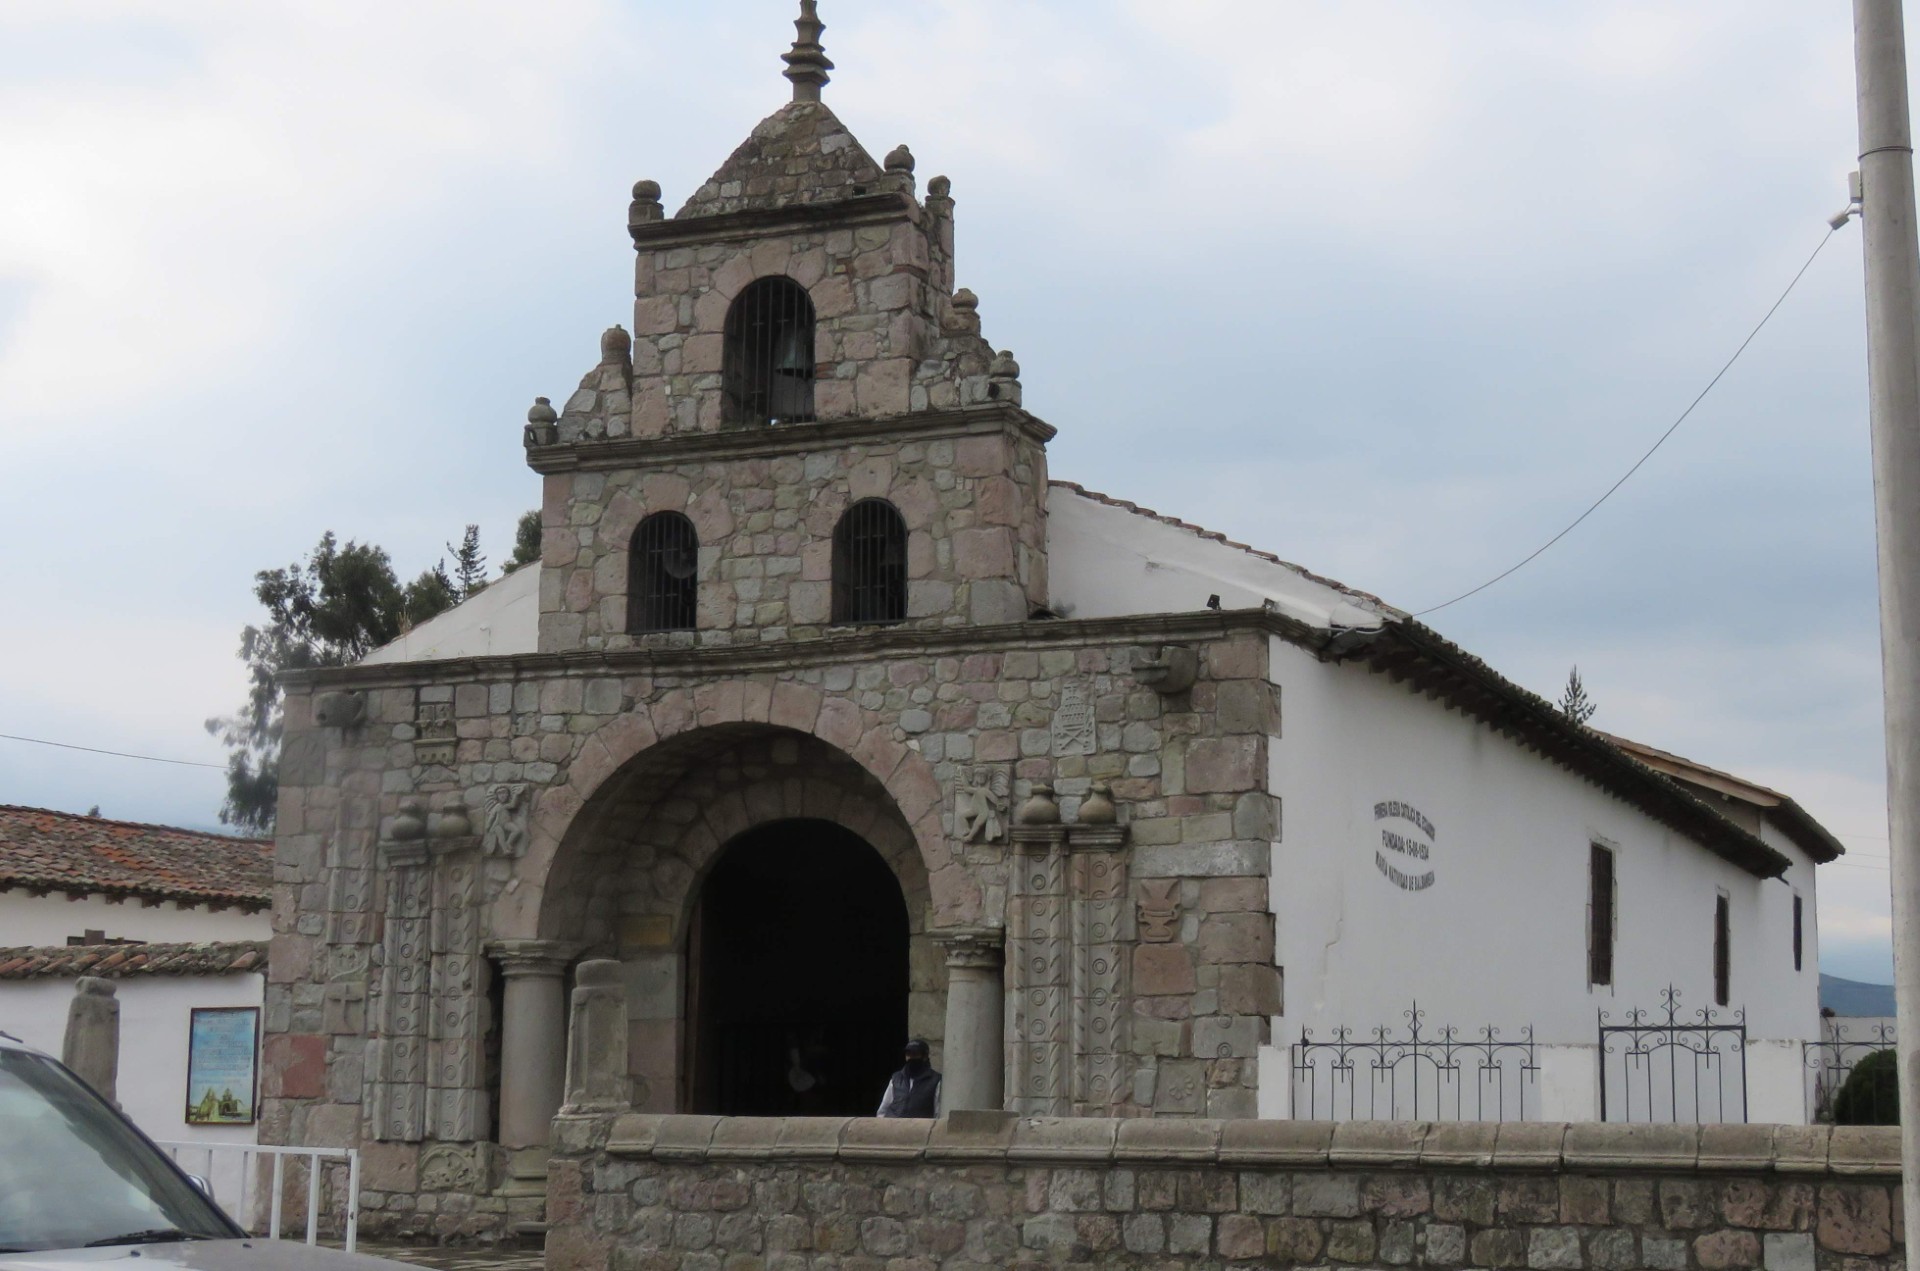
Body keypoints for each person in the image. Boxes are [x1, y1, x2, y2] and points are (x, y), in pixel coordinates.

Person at [875, 1039, 940, 1117]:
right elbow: (883, 1110)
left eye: (915, 1054)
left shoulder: (935, 1080)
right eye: (908, 1054)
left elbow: (937, 1112)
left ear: (925, 1057)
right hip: (893, 1123)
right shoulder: (896, 1079)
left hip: (919, 1124)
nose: (910, 1058)